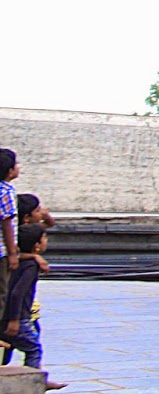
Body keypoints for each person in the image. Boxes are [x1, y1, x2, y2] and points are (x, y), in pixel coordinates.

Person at [2, 223, 65, 388]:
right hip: (19, 317)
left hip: (3, 315)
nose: (46, 241)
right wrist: (14, 320)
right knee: (33, 349)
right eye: (45, 238)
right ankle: (32, 383)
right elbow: (17, 293)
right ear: (37, 246)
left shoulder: (12, 260)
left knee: (7, 349)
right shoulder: (31, 267)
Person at [0, 150, 19, 306]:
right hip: (1, 252)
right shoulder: (6, 192)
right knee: (2, 292)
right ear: (10, 171)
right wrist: (12, 253)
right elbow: (7, 224)